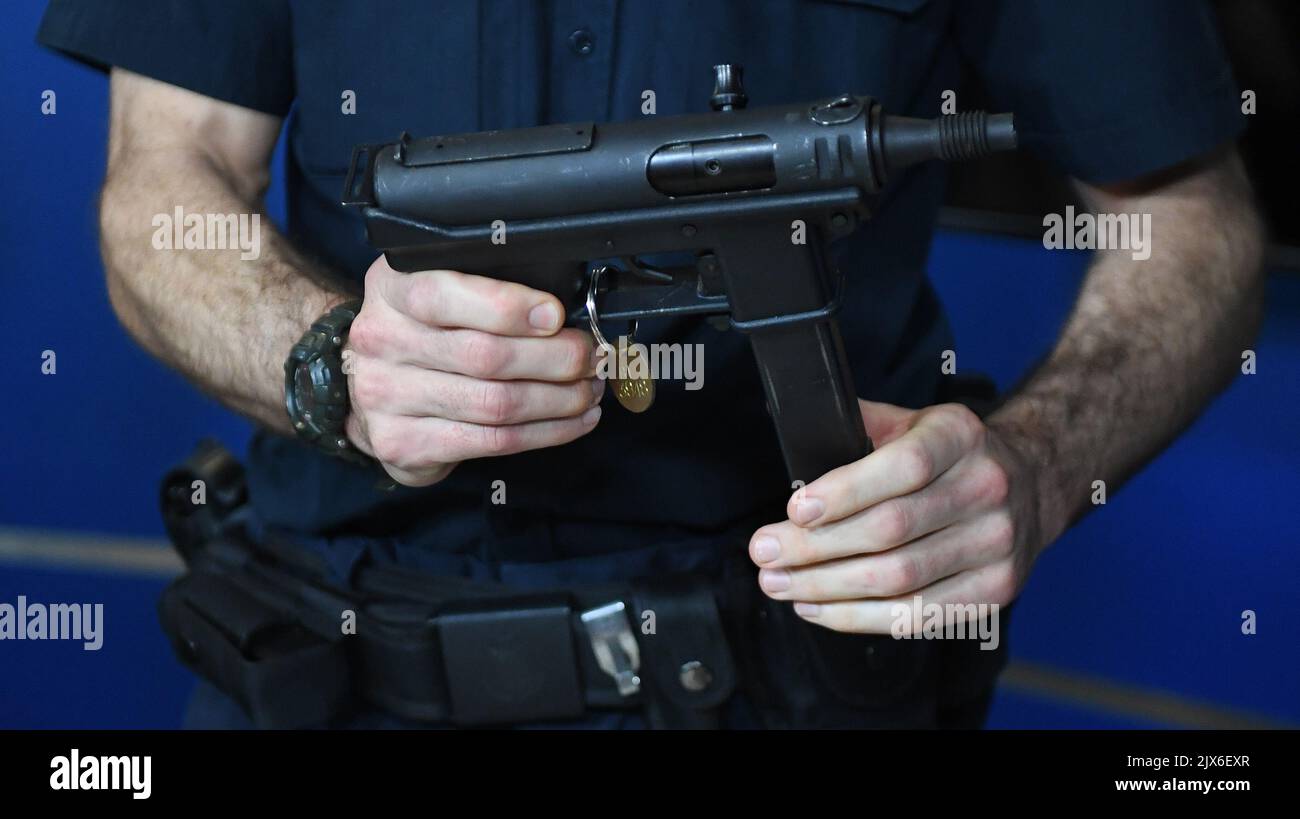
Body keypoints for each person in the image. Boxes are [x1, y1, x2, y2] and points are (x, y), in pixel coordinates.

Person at [38, 0, 1264, 729]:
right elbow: (167, 181)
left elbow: (1187, 217)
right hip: (333, 667)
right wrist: (327, 364)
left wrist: (1042, 472)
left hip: (804, 674)